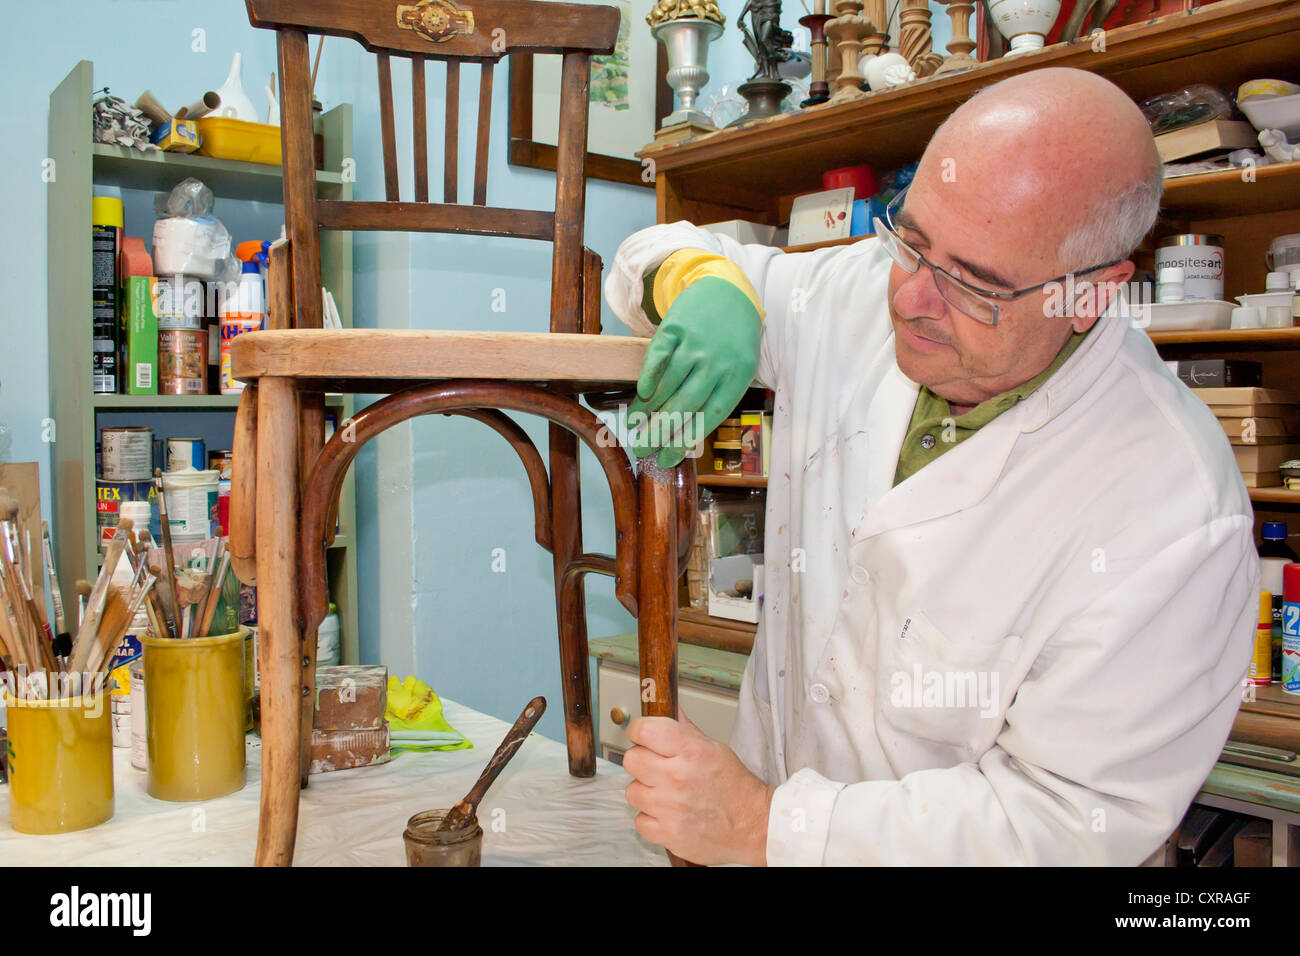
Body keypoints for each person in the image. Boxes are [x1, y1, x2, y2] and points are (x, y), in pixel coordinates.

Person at [602, 67, 1259, 866]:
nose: (913, 299)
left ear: (1088, 295)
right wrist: (703, 282)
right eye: (910, 241)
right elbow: (659, 249)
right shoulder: (857, 293)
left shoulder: (1173, 505)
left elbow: (1064, 819)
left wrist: (765, 826)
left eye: (975, 284)